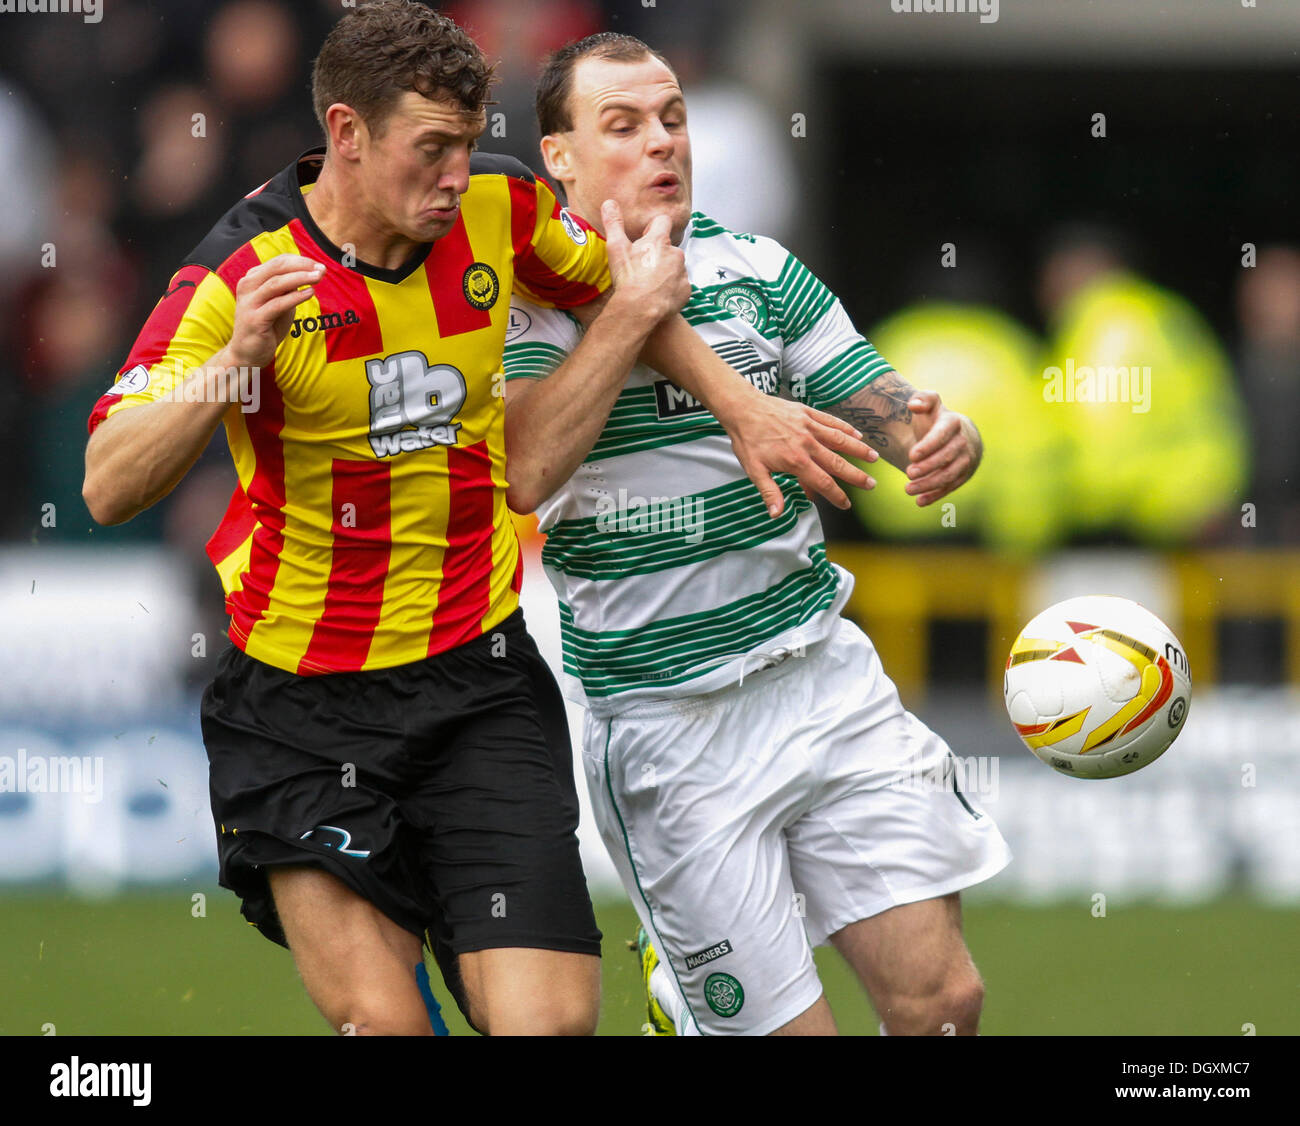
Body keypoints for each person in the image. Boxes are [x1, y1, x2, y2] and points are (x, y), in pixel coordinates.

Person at [81, 2, 871, 1037]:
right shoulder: (245, 274)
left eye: (467, 144)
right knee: (389, 1025)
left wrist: (741, 405)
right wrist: (231, 371)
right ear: (347, 133)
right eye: (432, 150)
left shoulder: (499, 209)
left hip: (476, 689)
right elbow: (105, 484)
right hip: (298, 712)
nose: (456, 175)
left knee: (547, 1027)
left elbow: (620, 297)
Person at [502, 32, 1012, 1036]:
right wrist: (632, 305)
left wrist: (947, 437)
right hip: (668, 728)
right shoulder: (519, 301)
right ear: (558, 156)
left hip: (821, 680)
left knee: (943, 1002)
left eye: (672, 119)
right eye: (623, 124)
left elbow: (895, 418)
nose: (661, 143)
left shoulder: (758, 269)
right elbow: (525, 470)